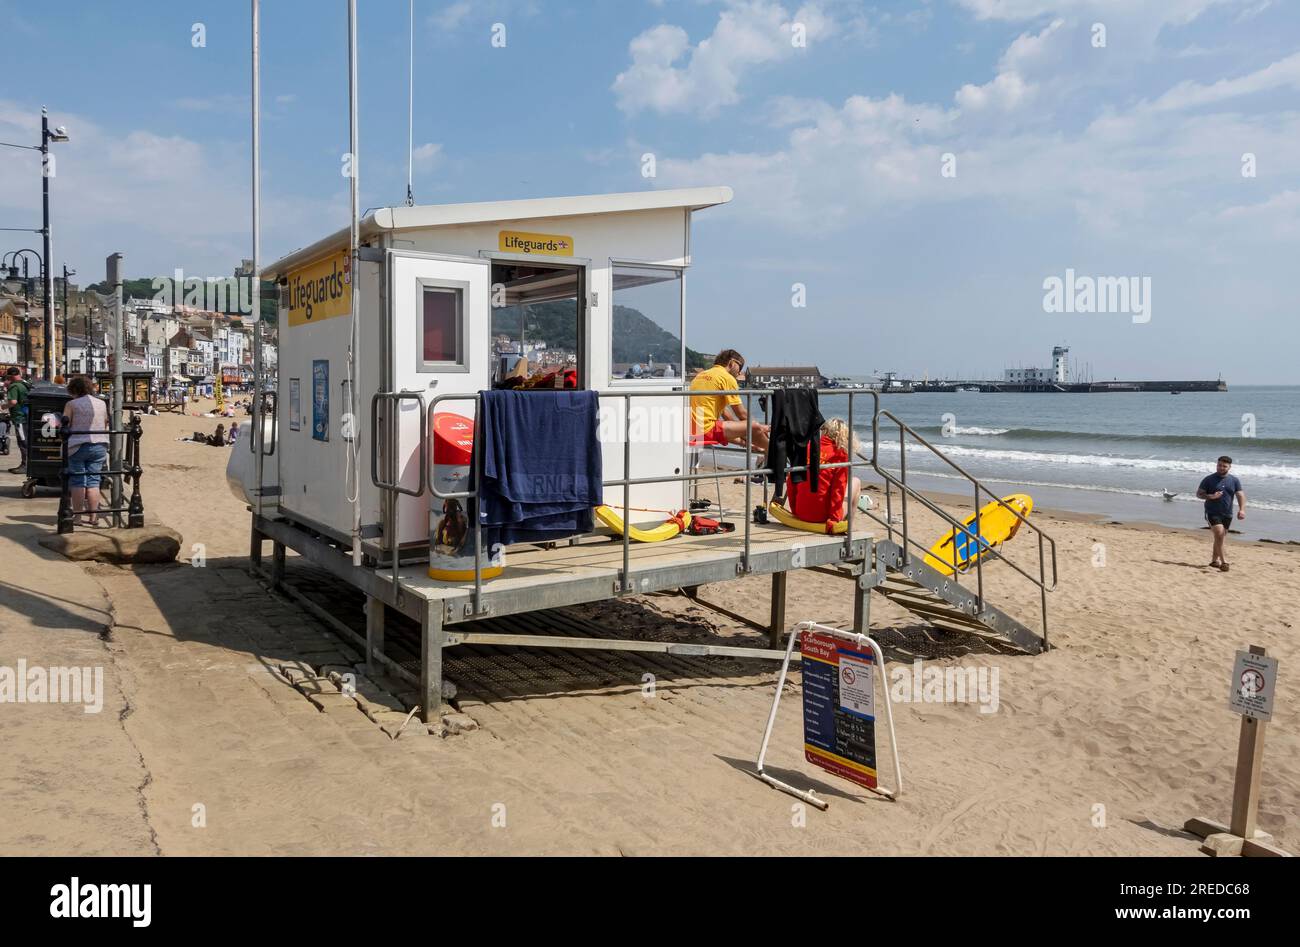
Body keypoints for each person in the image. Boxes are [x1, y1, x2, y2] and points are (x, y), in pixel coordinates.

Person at [783, 418, 862, 529]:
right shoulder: (840, 454)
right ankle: (849, 527)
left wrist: (794, 510)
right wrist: (834, 519)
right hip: (822, 516)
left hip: (801, 511)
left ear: (824, 431)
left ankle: (845, 524)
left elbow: (791, 481)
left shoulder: (806, 447)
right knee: (856, 482)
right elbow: (838, 489)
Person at [688, 349, 770, 452]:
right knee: (754, 426)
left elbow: (726, 415)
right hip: (705, 431)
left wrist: (744, 436)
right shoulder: (726, 377)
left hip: (692, 431)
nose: (739, 372)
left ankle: (757, 448)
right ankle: (774, 452)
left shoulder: (701, 375)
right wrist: (761, 428)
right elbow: (742, 414)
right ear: (732, 363)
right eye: (740, 367)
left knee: (743, 429)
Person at [62, 375, 110, 528]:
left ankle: (77, 517)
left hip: (78, 446)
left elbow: (65, 424)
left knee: (78, 481)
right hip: (99, 445)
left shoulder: (72, 404)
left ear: (74, 390)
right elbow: (105, 423)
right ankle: (93, 517)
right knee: (94, 482)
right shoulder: (101, 403)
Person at [1197, 455, 1245, 573]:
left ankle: (1214, 561)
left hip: (1227, 513)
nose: (1221, 468)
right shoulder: (1208, 479)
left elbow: (1240, 495)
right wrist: (1211, 496)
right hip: (1212, 512)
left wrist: (1242, 509)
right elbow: (1199, 494)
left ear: (1229, 467)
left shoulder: (1234, 480)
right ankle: (1224, 562)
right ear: (1216, 465)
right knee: (1219, 534)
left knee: (1220, 538)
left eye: (1224, 466)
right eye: (1219, 465)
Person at [5, 366, 29, 474]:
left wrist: (2, 407)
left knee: (23, 442)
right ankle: (26, 464)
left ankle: (25, 465)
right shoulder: (26, 384)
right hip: (27, 416)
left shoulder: (14, 386)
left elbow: (13, 402)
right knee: (26, 441)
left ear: (10, 376)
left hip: (20, 418)